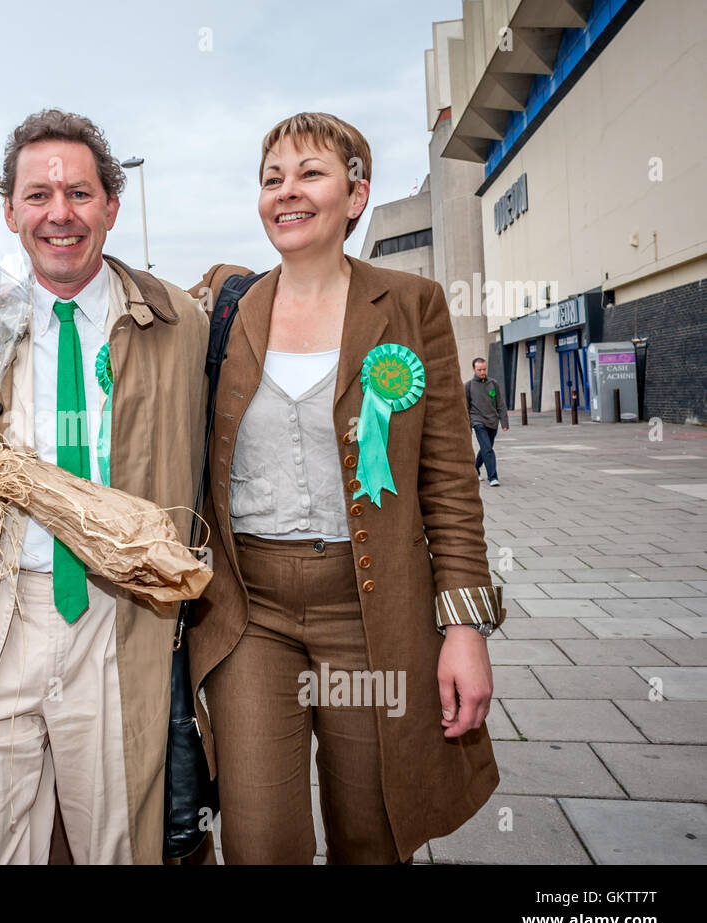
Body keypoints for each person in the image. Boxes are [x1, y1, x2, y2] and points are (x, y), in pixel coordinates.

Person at [0, 109, 208, 864]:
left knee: (115, 842)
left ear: (111, 208)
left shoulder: (174, 320)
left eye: (81, 193)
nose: (61, 212)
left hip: (118, 618)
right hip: (2, 613)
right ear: (10, 210)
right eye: (38, 195)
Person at [187, 113, 504, 864]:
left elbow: (451, 484)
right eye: (271, 180)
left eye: (309, 173)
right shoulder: (227, 313)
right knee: (260, 839)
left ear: (356, 194)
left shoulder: (411, 302)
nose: (286, 192)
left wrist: (464, 627)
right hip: (250, 614)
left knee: (372, 830)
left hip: (371, 612)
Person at [466, 357, 509, 486]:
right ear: (474, 369)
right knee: (488, 449)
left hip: (492, 421)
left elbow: (500, 404)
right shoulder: (468, 386)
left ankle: (475, 468)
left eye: (484, 369)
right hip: (477, 421)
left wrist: (504, 422)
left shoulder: (493, 384)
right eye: (479, 370)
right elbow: (466, 407)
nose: (482, 372)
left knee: (486, 448)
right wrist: (468, 426)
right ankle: (493, 477)